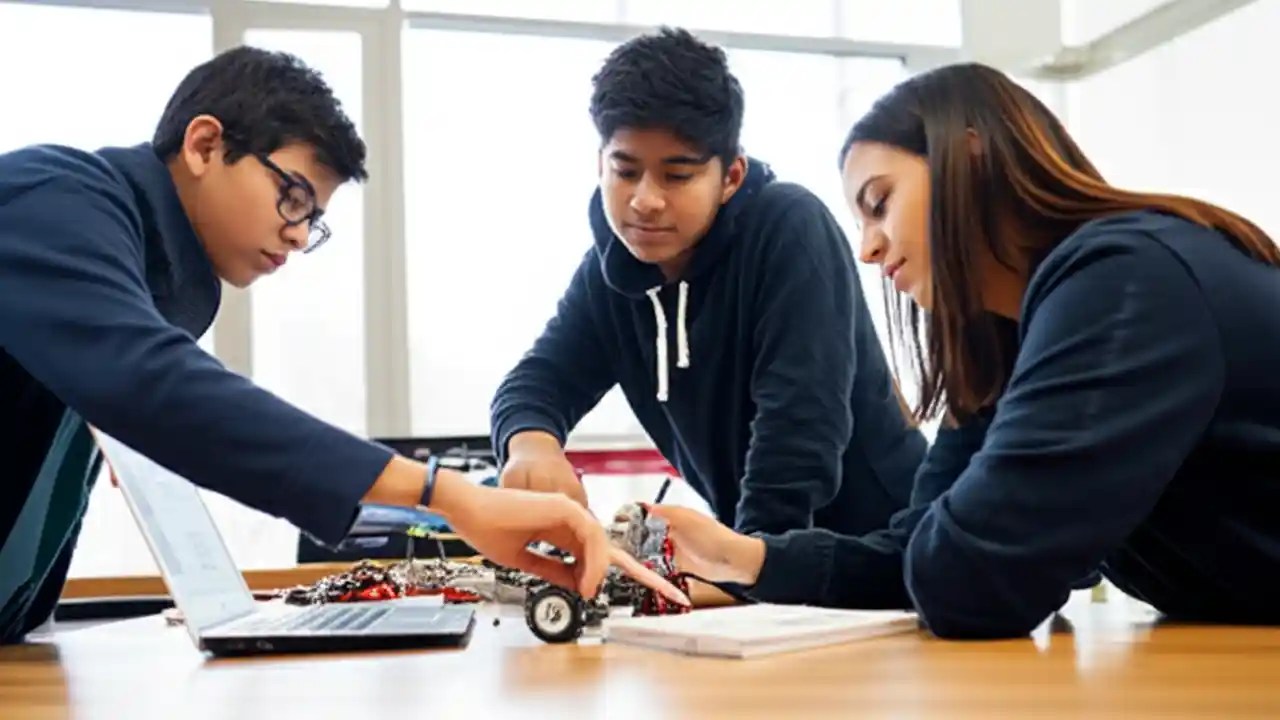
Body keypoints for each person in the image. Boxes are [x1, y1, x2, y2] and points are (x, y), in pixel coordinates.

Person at [0, 46, 684, 645]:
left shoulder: (150, 278)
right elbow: (155, 382)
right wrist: (448, 497)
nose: (299, 235)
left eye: (313, 219)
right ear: (205, 145)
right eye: (292, 197)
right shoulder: (50, 198)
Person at [647, 61, 1280, 638]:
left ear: (970, 158)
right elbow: (927, 555)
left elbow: (975, 580)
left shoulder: (1124, 281)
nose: (867, 248)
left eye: (879, 204)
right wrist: (742, 558)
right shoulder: (1009, 343)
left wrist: (954, 547)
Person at [490, 27, 926, 569]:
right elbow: (541, 379)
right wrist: (531, 442)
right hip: (763, 560)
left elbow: (800, 426)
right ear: (599, 163)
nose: (645, 201)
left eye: (677, 175)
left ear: (730, 176)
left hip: (886, 552)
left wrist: (748, 567)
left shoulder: (788, 228)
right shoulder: (611, 272)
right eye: (625, 171)